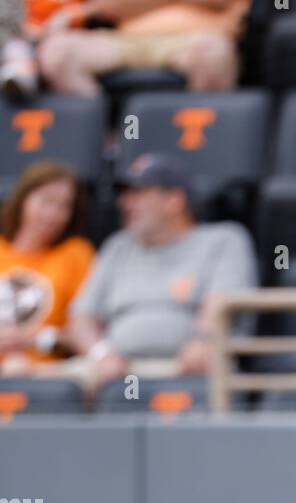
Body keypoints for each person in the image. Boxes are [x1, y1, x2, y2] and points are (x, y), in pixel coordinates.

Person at [66, 151, 257, 385]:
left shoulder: (223, 239)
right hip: (113, 368)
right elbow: (81, 317)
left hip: (187, 366)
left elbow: (223, 302)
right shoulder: (118, 246)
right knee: (38, 386)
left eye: (138, 193)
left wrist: (202, 340)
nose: (125, 203)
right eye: (125, 194)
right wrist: (101, 353)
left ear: (174, 200)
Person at [11, 0, 249, 97]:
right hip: (127, 39)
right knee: (57, 53)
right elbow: (106, 6)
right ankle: (106, 142)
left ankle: (196, 137)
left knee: (214, 54)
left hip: (196, 40)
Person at [0, 159, 93, 373]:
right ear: (23, 200)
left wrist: (37, 338)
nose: (53, 215)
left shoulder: (76, 254)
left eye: (64, 206)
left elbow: (87, 330)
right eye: (46, 201)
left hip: (49, 371)